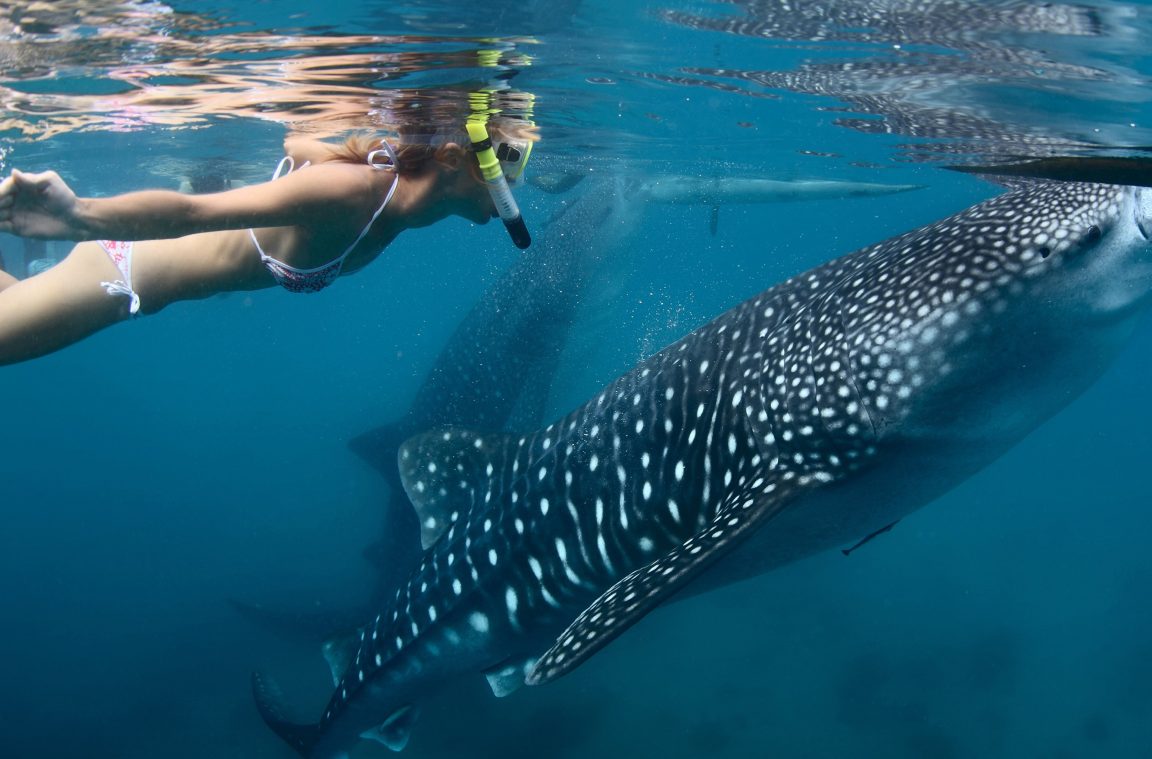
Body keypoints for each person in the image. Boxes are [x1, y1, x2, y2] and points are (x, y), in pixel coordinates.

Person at [0, 119, 537, 365]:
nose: (513, 183)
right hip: (119, 274)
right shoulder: (354, 192)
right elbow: (193, 211)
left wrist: (316, 139)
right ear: (449, 156)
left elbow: (296, 138)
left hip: (131, 283)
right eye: (507, 161)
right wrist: (79, 216)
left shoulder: (390, 196)